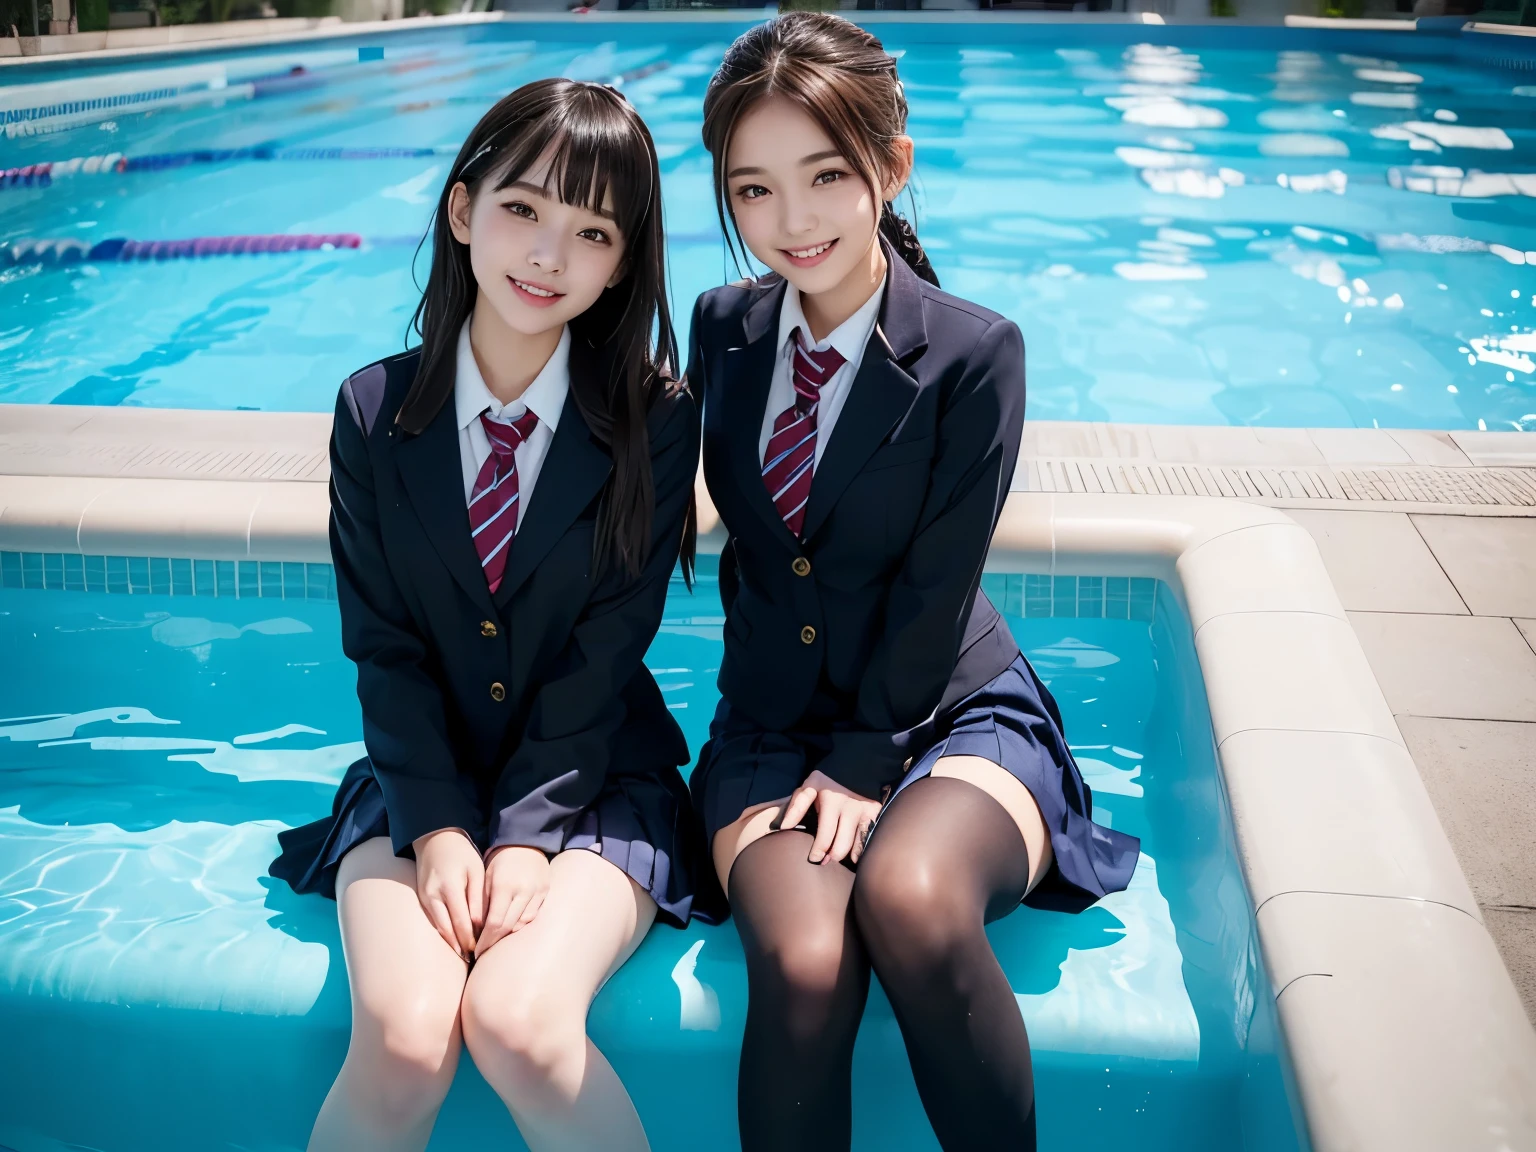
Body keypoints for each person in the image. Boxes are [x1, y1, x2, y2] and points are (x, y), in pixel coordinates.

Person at [685, 14, 1142, 1152]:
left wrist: (861, 763)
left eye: (826, 176)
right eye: (752, 190)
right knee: (803, 960)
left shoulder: (973, 354)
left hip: (946, 708)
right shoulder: (724, 331)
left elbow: (941, 585)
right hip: (775, 730)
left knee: (912, 899)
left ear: (890, 166)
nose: (789, 224)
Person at [270, 78, 713, 1152]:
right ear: (465, 211)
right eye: (523, 210)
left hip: (598, 780)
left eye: (591, 231)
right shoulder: (372, 413)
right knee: (409, 1033)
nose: (549, 255)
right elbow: (382, 646)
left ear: (621, 263)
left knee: (515, 1021)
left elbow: (609, 649)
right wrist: (438, 823)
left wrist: (522, 835)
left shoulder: (654, 419)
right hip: (418, 778)